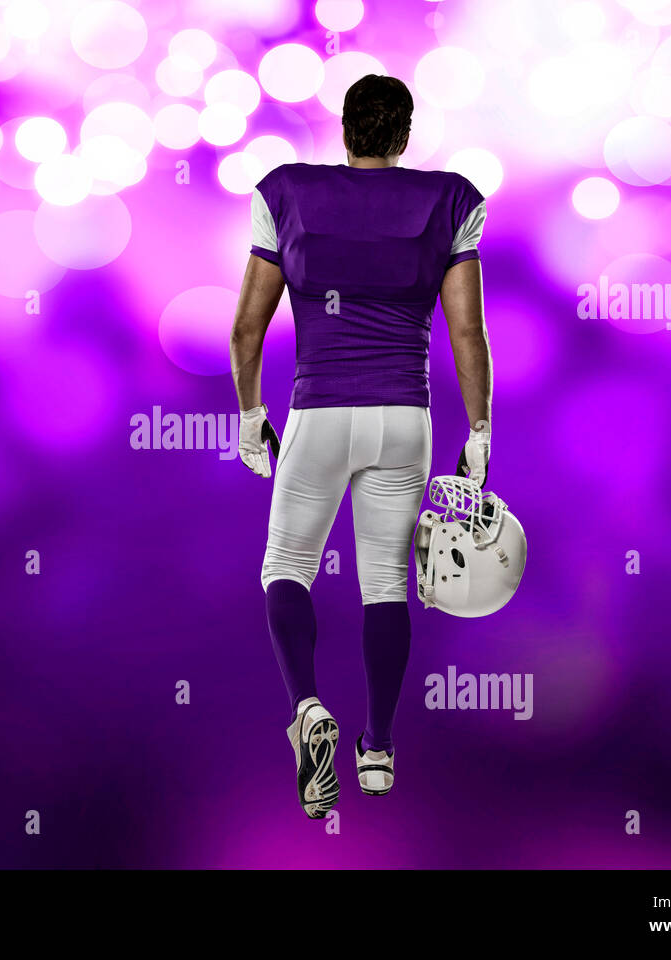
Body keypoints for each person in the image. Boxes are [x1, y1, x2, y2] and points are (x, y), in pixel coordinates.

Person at [229, 74, 493, 818]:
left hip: (319, 409)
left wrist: (250, 418)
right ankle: (376, 750)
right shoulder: (450, 198)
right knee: (386, 582)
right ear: (405, 134)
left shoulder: (286, 191)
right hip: (406, 414)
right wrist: (479, 432)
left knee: (287, 566)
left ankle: (308, 707)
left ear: (344, 129)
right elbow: (466, 332)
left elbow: (247, 328)